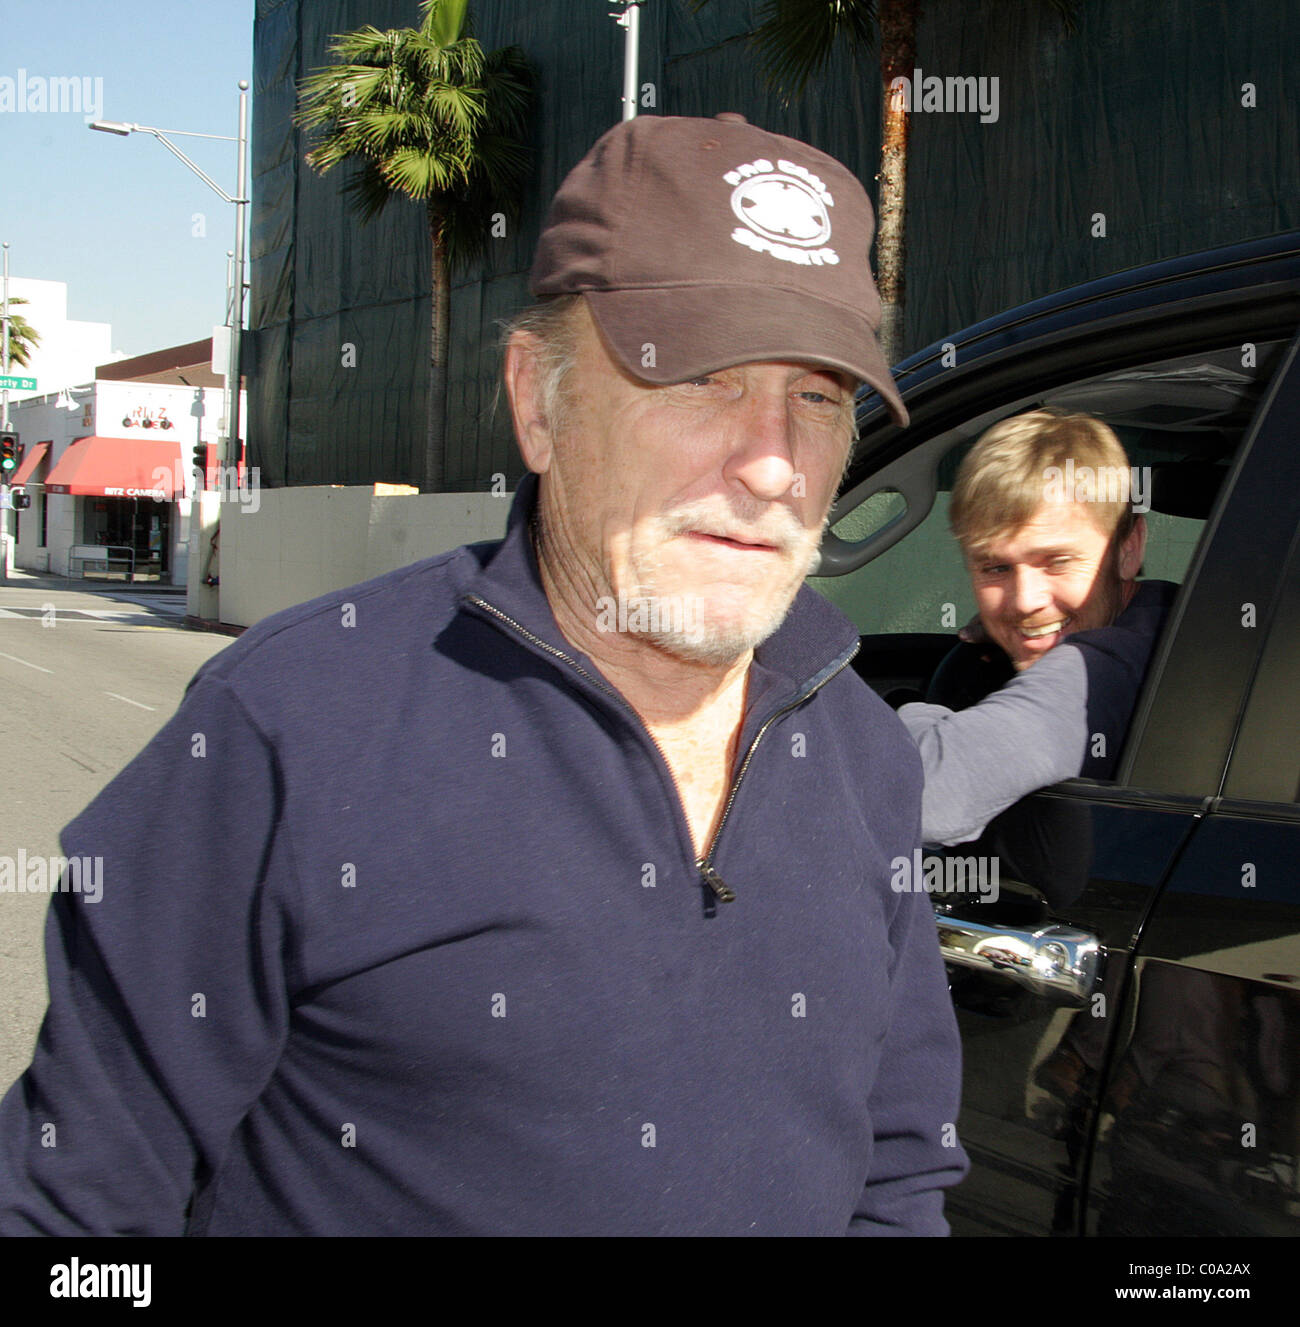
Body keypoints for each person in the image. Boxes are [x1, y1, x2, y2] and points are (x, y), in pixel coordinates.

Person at [0, 113, 966, 1236]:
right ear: (537, 400)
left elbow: (898, 1176)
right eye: (702, 377)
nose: (771, 462)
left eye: (818, 396)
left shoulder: (864, 751)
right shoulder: (289, 728)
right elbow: (71, 1212)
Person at [899, 411, 1178, 847]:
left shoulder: (1102, 665)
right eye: (996, 568)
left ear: (1129, 548)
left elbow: (927, 797)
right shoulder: (1166, 619)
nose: (1024, 600)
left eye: (1058, 562)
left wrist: (905, 712)